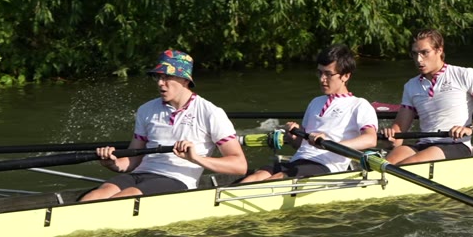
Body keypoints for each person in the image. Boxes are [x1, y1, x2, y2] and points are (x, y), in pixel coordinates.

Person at [80, 50, 247, 200]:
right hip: (141, 174)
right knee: (93, 197)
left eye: (167, 77)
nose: (160, 83)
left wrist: (195, 158)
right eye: (158, 77)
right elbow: (133, 160)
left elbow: (239, 166)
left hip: (177, 180)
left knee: (124, 198)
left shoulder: (211, 113)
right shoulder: (146, 110)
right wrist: (111, 163)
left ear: (184, 80)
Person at [239, 45, 380, 182]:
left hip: (326, 166)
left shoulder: (359, 105)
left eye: (328, 74)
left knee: (276, 179)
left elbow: (370, 139)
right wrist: (294, 136)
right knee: (256, 176)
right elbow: (301, 144)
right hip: (298, 160)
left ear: (345, 76)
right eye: (319, 73)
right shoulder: (315, 102)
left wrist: (329, 143)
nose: (322, 79)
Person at [379, 29, 473, 164]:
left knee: (405, 166)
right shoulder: (411, 86)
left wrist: (470, 129)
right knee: (386, 164)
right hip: (423, 143)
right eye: (415, 54)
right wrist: (390, 137)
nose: (419, 59)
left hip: (455, 145)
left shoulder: (464, 75)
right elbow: (399, 131)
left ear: (439, 50)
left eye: (424, 53)